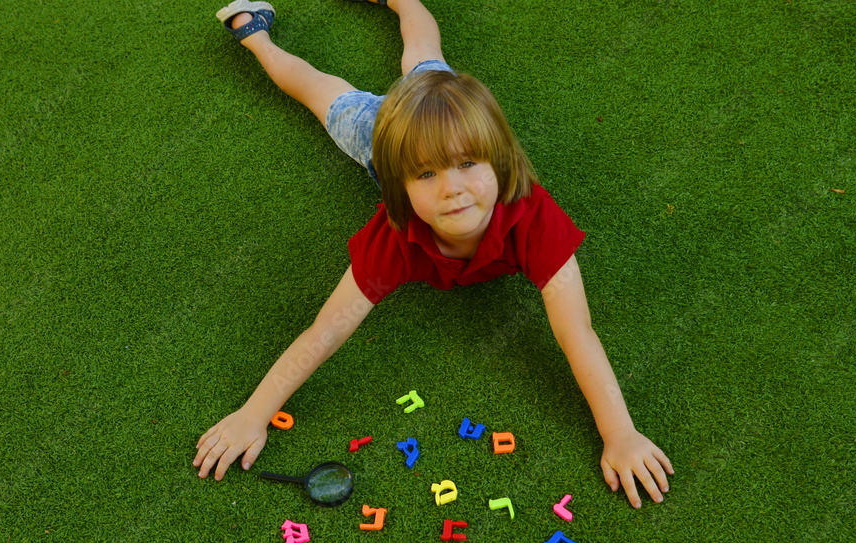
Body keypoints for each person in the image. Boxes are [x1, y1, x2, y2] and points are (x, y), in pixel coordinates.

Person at [193, 0, 674, 508]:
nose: (453, 190)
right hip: (385, 134)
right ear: (400, 186)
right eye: (427, 175)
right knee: (319, 91)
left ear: (502, 161)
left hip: (437, 110)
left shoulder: (531, 215)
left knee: (424, 54)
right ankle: (256, 37)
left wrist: (620, 434)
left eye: (469, 163)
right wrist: (252, 414)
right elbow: (326, 330)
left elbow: (576, 330)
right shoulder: (395, 228)